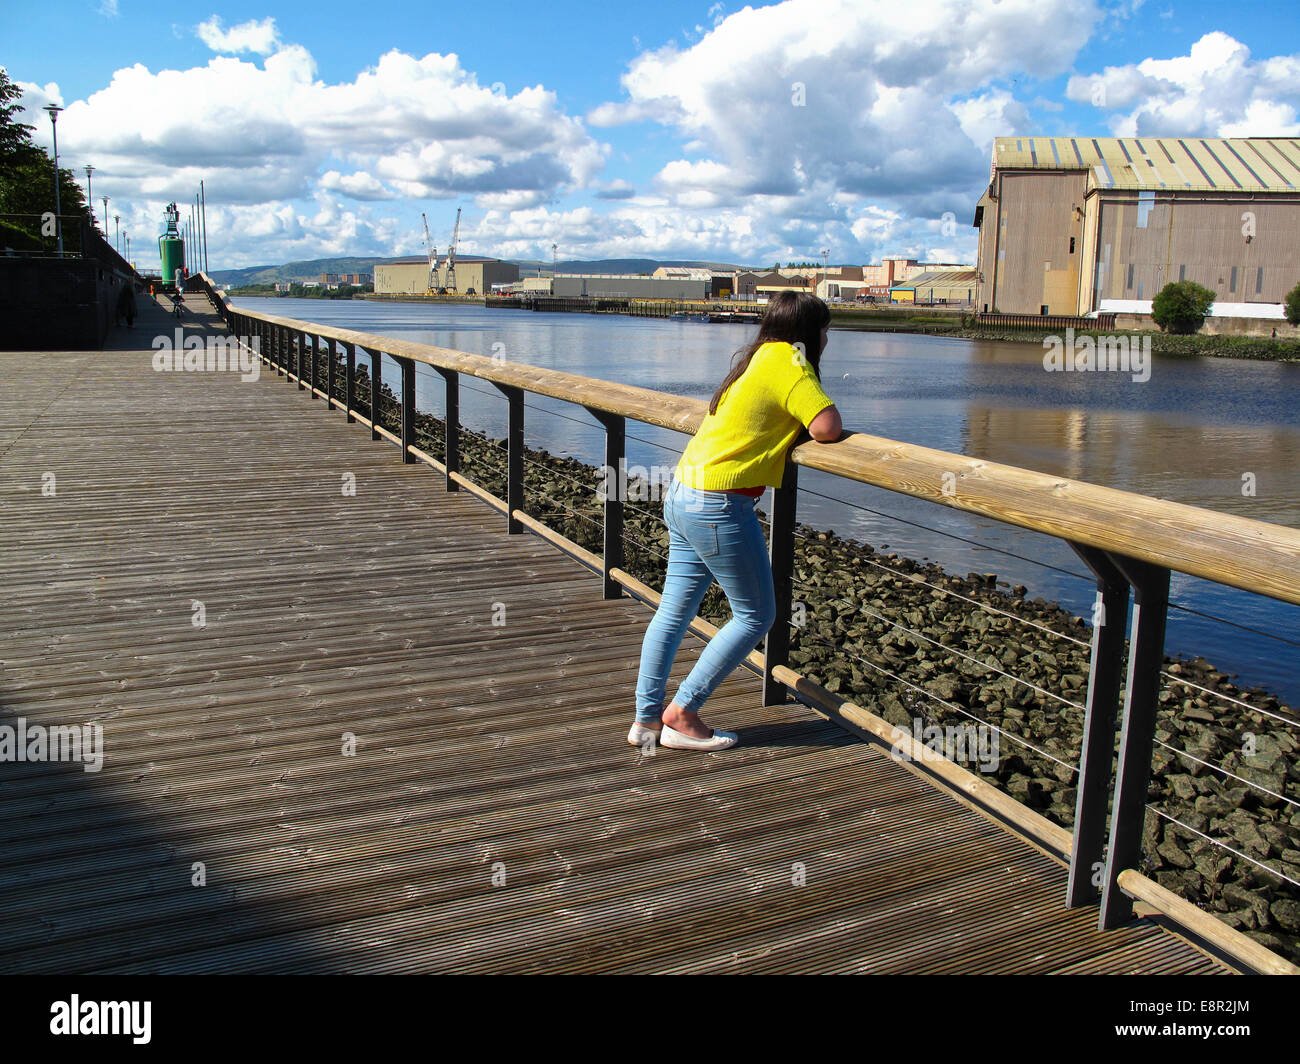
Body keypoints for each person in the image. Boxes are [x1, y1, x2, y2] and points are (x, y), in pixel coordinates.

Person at [630, 291, 843, 751]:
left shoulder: (757, 357)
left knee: (673, 613)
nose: (828, 338)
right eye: (825, 329)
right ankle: (683, 712)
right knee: (756, 615)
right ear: (808, 333)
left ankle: (646, 720)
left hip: (684, 491)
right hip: (719, 506)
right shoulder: (790, 362)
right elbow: (826, 427)